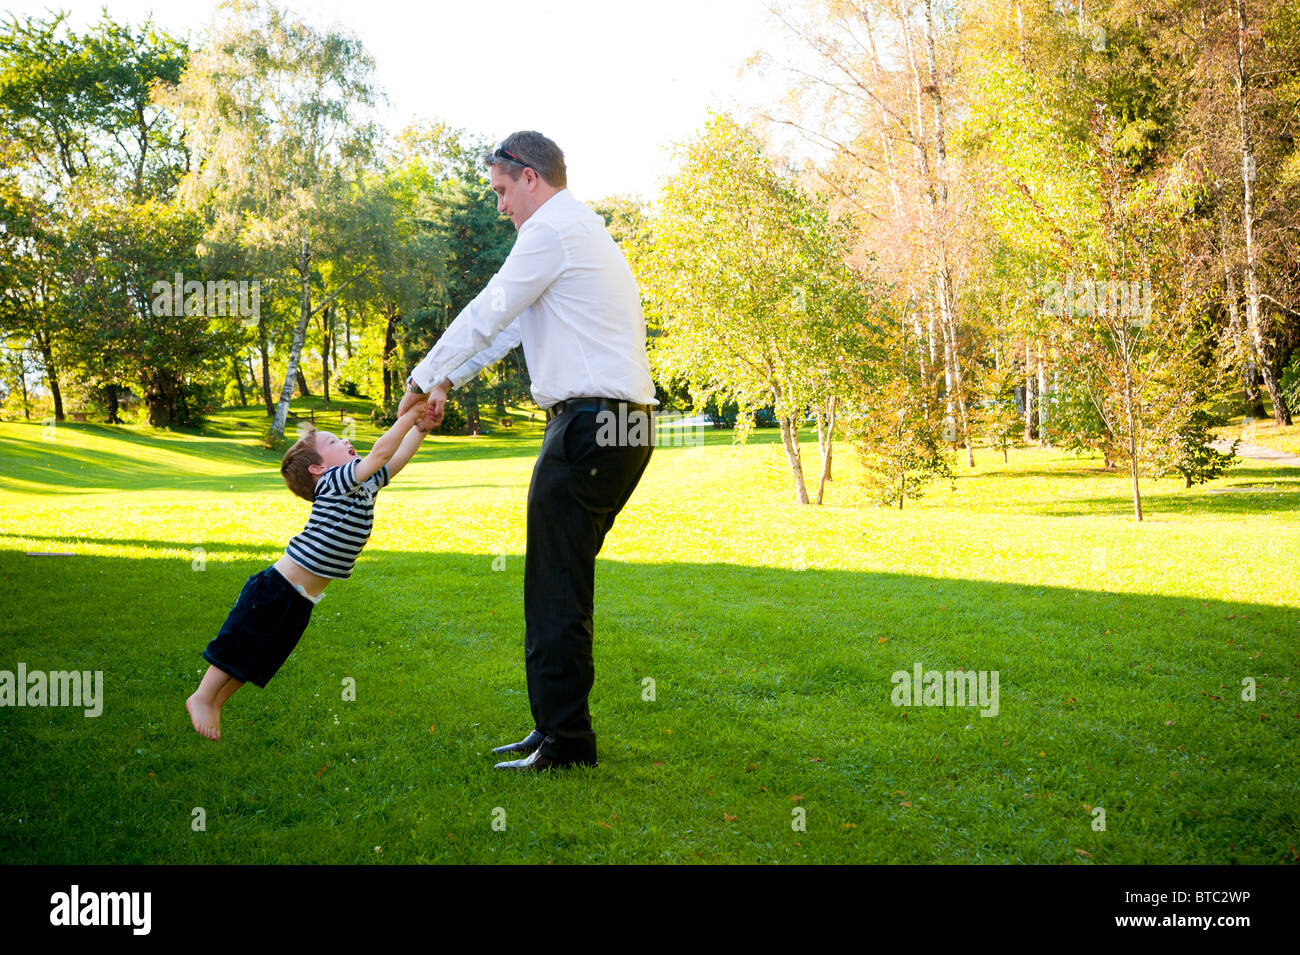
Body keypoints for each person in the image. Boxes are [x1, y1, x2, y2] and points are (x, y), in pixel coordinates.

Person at [400, 130, 656, 772]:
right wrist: (446, 378)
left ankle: (566, 744)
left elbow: (489, 308)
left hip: (589, 426)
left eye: (502, 191)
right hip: (623, 428)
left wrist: (418, 377)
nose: (500, 206)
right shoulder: (580, 232)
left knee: (552, 589)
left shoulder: (549, 232)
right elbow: (507, 328)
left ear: (531, 178)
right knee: (562, 586)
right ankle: (555, 731)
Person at [185, 404, 431, 740]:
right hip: (276, 589)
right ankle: (201, 696)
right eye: (334, 442)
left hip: (301, 600)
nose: (346, 441)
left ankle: (217, 703)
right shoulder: (335, 481)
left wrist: (421, 429)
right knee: (238, 643)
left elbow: (395, 459)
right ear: (318, 468)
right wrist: (408, 415)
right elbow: (381, 452)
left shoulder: (363, 484)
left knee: (258, 656)